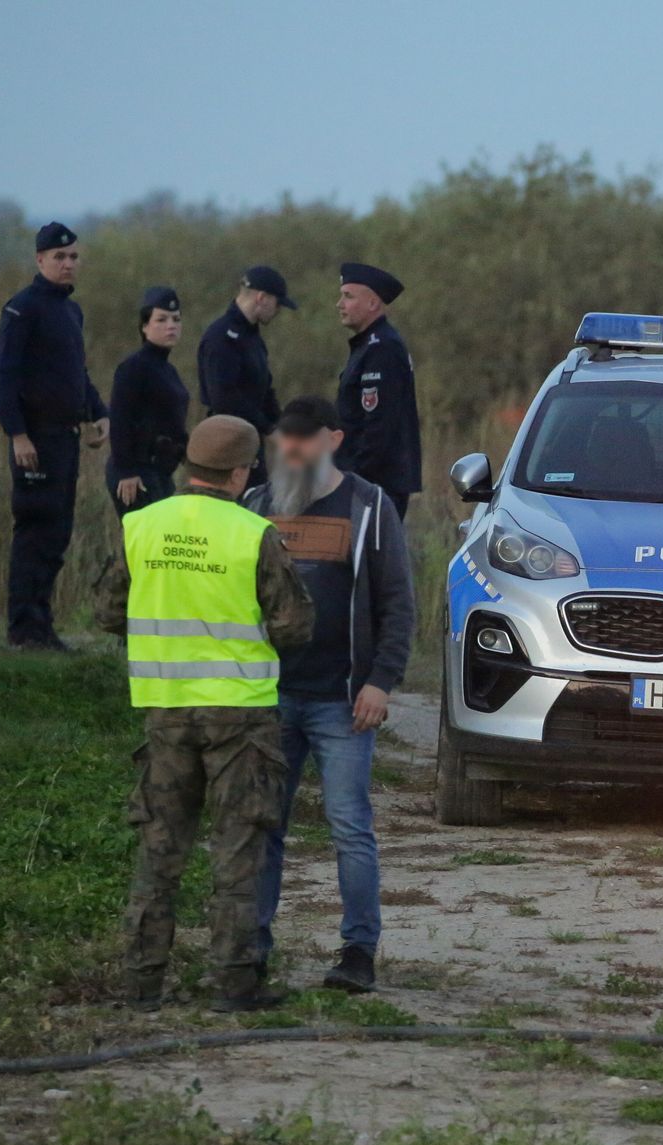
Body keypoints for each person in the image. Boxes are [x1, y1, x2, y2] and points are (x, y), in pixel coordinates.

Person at [93, 414, 315, 1013]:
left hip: (165, 710)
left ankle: (141, 986)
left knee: (159, 852)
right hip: (240, 716)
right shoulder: (253, 533)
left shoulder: (140, 525)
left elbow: (108, 613)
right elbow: (294, 626)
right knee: (239, 850)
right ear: (242, 472)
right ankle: (234, 986)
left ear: (191, 465)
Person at [242, 394, 416, 993]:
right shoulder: (255, 506)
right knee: (263, 825)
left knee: (349, 826)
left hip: (343, 702)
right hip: (269, 700)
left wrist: (379, 682)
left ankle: (358, 953)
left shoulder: (370, 507)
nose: (291, 448)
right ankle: (251, 949)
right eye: (283, 438)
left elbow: (397, 604)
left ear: (332, 440)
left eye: (303, 438)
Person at [0, 221, 109, 650]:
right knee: (35, 532)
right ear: (40, 260)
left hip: (65, 439)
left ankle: (42, 626)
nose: (67, 263)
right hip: (34, 440)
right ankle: (23, 628)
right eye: (59, 257)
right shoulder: (22, 308)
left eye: (74, 256)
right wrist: (17, 435)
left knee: (57, 535)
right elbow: (4, 377)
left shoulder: (69, 310)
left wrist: (98, 412)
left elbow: (75, 374)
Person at [333, 262, 421, 519]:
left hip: (376, 484)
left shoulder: (382, 348)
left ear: (372, 304)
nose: (339, 304)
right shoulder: (367, 346)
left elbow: (379, 425)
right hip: (368, 482)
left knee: (372, 556)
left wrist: (354, 478)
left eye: (348, 296)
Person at [197, 265, 293, 488]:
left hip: (249, 441)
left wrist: (281, 427)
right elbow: (224, 397)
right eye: (277, 304)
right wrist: (268, 429)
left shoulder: (253, 339)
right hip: (225, 441)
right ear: (262, 298)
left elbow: (265, 391)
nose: (277, 311)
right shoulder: (221, 337)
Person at [106, 286, 190, 518]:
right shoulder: (133, 367)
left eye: (176, 319)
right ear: (145, 326)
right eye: (161, 320)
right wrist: (127, 471)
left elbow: (173, 425)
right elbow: (120, 420)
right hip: (137, 471)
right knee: (145, 546)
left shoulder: (168, 371)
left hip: (160, 471)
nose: (171, 325)